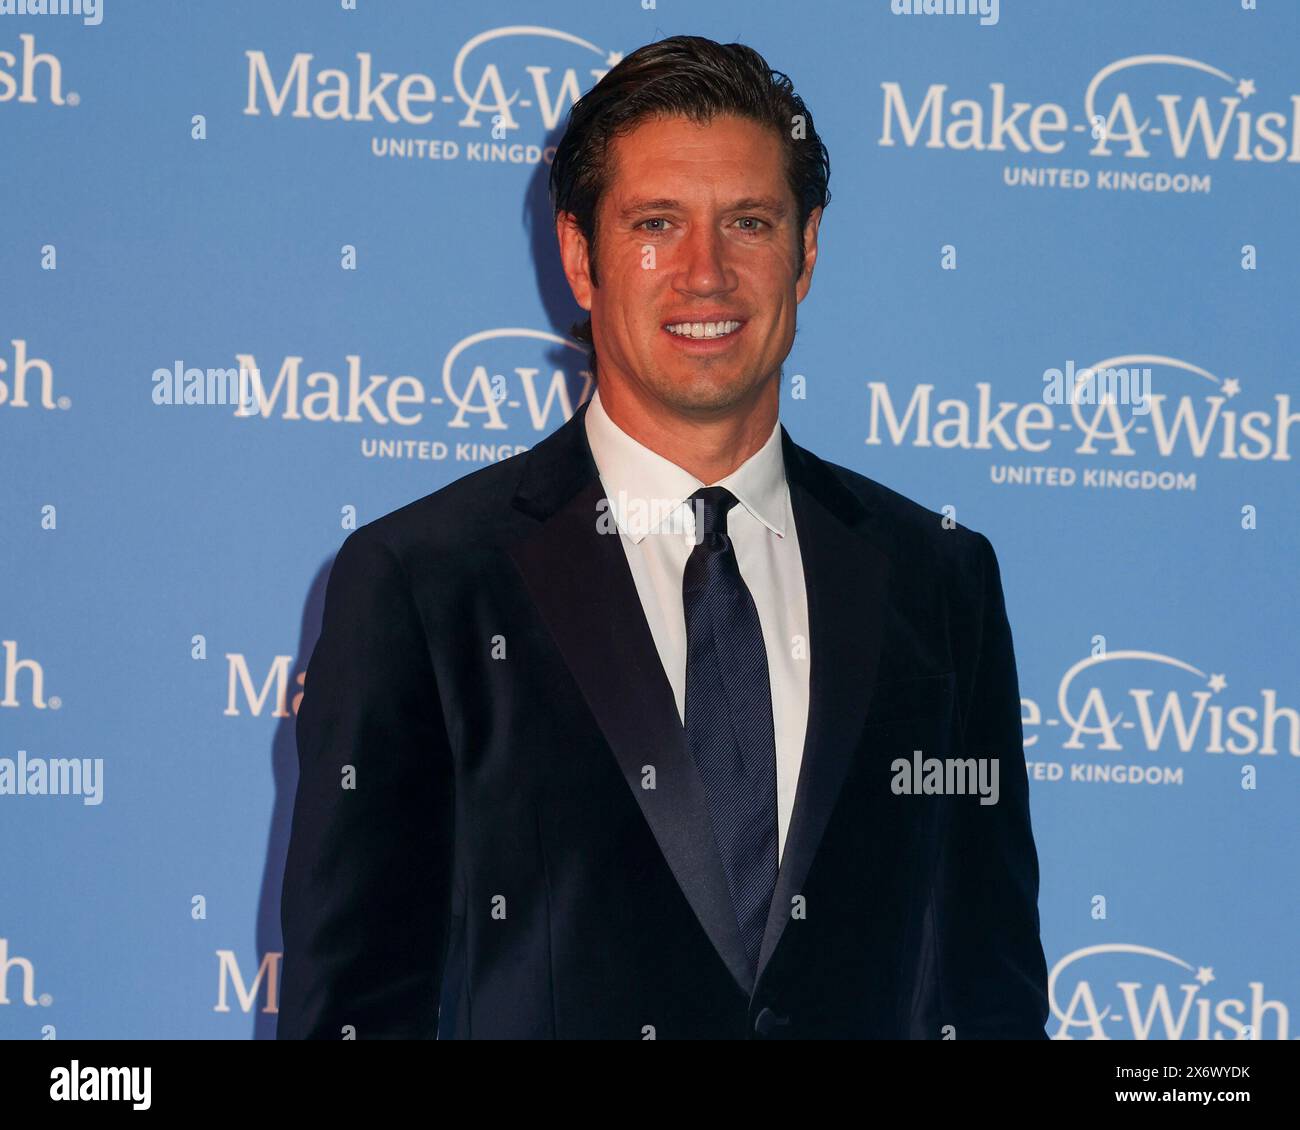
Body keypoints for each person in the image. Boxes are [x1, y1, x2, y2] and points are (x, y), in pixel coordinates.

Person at [277, 34, 1049, 1040]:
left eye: (749, 223)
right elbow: (356, 1007)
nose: (705, 273)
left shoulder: (938, 581)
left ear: (807, 251)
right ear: (579, 256)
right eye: (655, 224)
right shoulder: (424, 584)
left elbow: (987, 996)